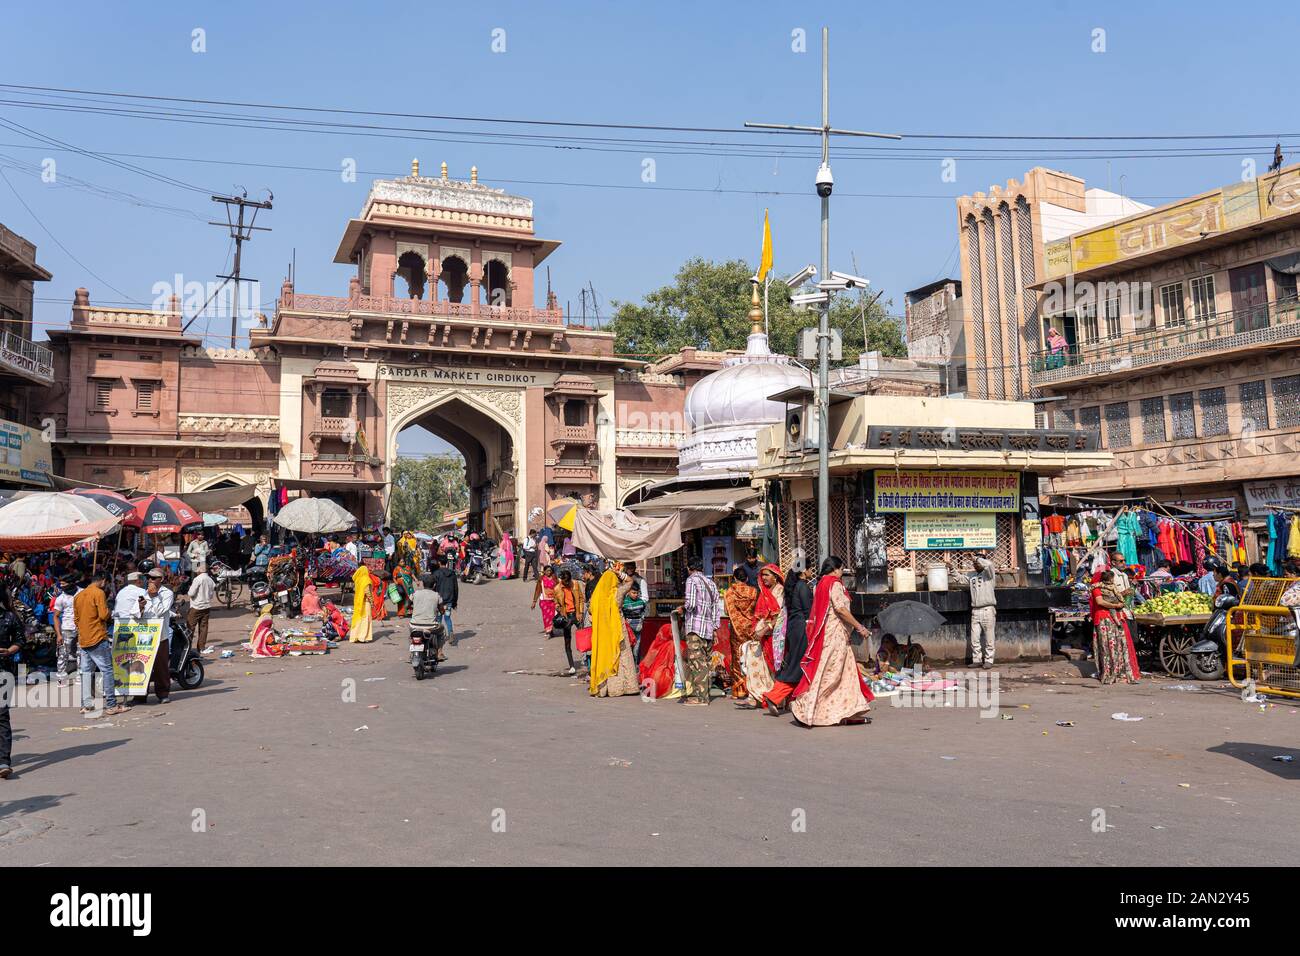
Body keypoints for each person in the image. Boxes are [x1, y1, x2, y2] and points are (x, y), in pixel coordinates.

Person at [789, 557, 874, 727]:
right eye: (841, 569)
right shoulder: (834, 584)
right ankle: (805, 707)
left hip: (828, 634)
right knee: (831, 673)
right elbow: (841, 609)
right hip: (835, 635)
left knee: (843, 672)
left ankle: (843, 710)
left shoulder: (820, 584)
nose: (842, 573)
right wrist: (859, 627)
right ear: (835, 569)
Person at [73, 571, 127, 718]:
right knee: (107, 670)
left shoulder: (78, 596)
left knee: (86, 672)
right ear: (103, 581)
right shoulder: (98, 593)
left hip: (83, 638)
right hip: (97, 637)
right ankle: (111, 705)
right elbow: (103, 615)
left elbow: (76, 620)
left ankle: (86, 705)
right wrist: (109, 611)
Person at [763, 557, 813, 713]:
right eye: (810, 569)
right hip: (801, 629)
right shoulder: (803, 587)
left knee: (795, 664)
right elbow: (808, 612)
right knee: (797, 666)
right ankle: (774, 696)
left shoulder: (792, 587)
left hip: (793, 628)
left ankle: (793, 700)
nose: (812, 572)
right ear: (805, 570)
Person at [590, 565, 639, 697]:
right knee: (621, 655)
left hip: (603, 632)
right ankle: (626, 687)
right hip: (617, 628)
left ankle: (605, 688)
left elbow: (591, 614)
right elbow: (630, 581)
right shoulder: (617, 593)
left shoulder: (596, 597)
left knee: (605, 655)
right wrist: (619, 573)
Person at [681, 556, 721, 706]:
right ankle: (703, 694)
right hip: (709, 629)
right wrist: (715, 627)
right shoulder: (711, 583)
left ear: (689, 568)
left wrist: (682, 608)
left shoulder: (692, 580)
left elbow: (690, 604)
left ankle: (700, 698)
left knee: (697, 663)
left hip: (696, 627)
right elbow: (717, 608)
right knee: (705, 662)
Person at [948, 556, 998, 669]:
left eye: (977, 563)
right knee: (975, 638)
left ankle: (989, 660)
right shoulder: (971, 575)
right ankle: (977, 659)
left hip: (987, 609)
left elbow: (989, 564)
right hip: (975, 610)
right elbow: (960, 579)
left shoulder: (989, 574)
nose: (975, 565)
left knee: (989, 637)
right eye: (974, 563)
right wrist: (952, 569)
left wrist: (977, 558)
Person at [1091, 569, 1140, 685]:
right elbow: (1100, 602)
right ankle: (1108, 673)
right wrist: (1115, 605)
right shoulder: (1096, 589)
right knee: (1106, 647)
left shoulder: (1112, 588)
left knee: (1117, 646)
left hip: (1115, 618)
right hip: (1104, 619)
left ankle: (1119, 672)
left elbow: (1118, 598)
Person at [723, 564, 759, 702]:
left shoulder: (729, 593)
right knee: (751, 656)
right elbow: (756, 610)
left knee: (737, 657)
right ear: (747, 578)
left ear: (734, 578)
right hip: (751, 628)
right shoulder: (753, 591)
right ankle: (753, 687)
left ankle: (739, 691)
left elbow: (727, 612)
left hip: (736, 629)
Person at [0, 580, 23, 777]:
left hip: (4, 671)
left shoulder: (9, 618)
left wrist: (9, 651)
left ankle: (4, 762)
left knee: (2, 715)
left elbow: (20, 640)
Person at [143, 569, 175, 704]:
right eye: (149, 577)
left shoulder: (167, 594)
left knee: (161, 665)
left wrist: (154, 596)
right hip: (144, 633)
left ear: (160, 579)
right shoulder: (143, 593)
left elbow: (161, 611)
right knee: (143, 665)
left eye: (153, 578)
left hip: (160, 634)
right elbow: (137, 612)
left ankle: (163, 693)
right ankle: (140, 695)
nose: (150, 580)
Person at [551, 568, 584, 676]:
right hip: (566, 616)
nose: (567, 583)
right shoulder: (557, 589)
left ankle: (587, 660)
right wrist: (557, 607)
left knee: (585, 638)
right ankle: (572, 666)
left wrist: (580, 613)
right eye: (565, 582)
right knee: (567, 641)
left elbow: (580, 598)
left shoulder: (575, 584)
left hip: (576, 613)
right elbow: (556, 602)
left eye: (568, 581)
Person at [410, 573, 446, 662]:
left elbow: (408, 604)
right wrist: (442, 611)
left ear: (423, 584)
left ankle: (411, 653)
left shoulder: (415, 593)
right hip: (431, 626)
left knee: (411, 635)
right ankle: (439, 653)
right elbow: (441, 610)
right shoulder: (437, 595)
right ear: (434, 585)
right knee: (442, 631)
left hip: (414, 625)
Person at [51, 574, 80, 681]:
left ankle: (80, 676)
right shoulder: (60, 598)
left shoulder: (82, 593)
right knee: (63, 654)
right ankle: (61, 677)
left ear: (72, 583)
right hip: (67, 629)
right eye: (61, 583)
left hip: (82, 628)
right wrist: (58, 634)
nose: (61, 586)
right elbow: (56, 616)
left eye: (64, 583)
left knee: (81, 653)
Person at [187, 562, 215, 655]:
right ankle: (201, 648)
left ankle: (187, 647)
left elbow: (191, 593)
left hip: (196, 606)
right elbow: (211, 595)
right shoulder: (210, 580)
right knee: (204, 628)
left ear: (200, 570)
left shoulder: (197, 579)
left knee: (190, 627)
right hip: (206, 606)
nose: (196, 571)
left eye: (197, 569)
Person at [431, 556, 459, 645]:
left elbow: (433, 587)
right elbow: (456, 588)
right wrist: (455, 601)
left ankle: (439, 635)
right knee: (447, 618)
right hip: (449, 600)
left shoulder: (436, 573)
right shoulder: (452, 573)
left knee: (438, 618)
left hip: (439, 601)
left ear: (439, 563)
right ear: (446, 563)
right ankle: (450, 633)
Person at [532, 565, 559, 636]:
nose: (549, 572)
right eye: (547, 571)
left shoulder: (554, 578)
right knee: (546, 616)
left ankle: (551, 630)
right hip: (544, 601)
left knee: (552, 616)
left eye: (550, 571)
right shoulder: (541, 579)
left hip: (553, 601)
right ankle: (548, 630)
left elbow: (558, 588)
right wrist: (534, 601)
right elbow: (537, 590)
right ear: (544, 571)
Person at [350, 564, 374, 643]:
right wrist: (371, 601)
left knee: (358, 619)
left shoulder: (358, 579)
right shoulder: (366, 579)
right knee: (366, 619)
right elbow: (367, 591)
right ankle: (363, 637)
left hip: (358, 602)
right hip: (366, 602)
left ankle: (355, 636)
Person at [621, 582, 647, 650]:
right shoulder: (624, 602)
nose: (636, 595)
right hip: (628, 629)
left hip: (638, 628)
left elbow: (644, 611)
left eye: (637, 593)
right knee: (629, 649)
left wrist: (642, 618)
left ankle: (636, 660)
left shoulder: (641, 602)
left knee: (636, 649)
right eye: (633, 593)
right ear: (628, 591)